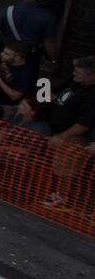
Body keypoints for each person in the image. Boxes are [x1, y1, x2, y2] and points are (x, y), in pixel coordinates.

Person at [42, 56, 95, 210]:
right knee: (55, 167)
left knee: (66, 169)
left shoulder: (92, 95)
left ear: (92, 75)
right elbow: (52, 94)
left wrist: (62, 136)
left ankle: (62, 198)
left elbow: (83, 124)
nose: (74, 74)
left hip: (72, 137)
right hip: (53, 129)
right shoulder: (75, 83)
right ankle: (51, 192)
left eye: (78, 73)